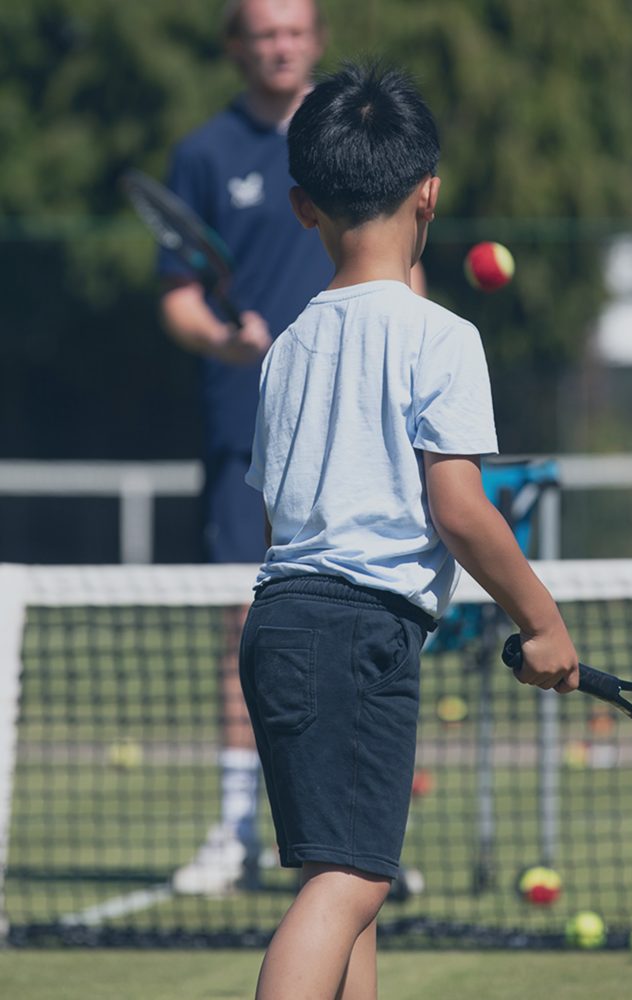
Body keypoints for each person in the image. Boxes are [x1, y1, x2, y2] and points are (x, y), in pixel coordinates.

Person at [239, 63, 579, 999]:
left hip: (280, 623)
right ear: (431, 190)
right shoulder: (443, 337)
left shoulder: (280, 353)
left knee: (343, 875)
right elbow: (460, 509)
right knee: (352, 879)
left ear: (304, 207)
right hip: (358, 634)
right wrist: (542, 621)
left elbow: (278, 514)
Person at [158, 0, 333, 895]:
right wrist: (228, 343)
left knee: (345, 618)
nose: (280, 45)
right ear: (237, 46)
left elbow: (401, 264)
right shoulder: (204, 154)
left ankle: (344, 828)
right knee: (243, 626)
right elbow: (180, 296)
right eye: (263, 32)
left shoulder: (345, 134)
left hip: (347, 430)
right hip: (243, 428)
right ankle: (235, 830)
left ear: (317, 38)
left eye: (294, 30)